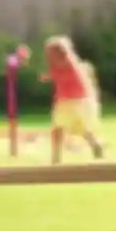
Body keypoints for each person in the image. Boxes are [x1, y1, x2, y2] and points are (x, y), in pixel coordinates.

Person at [41, 36, 105, 164]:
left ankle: (55, 158)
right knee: (82, 128)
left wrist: (47, 76)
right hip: (81, 101)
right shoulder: (72, 63)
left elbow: (58, 74)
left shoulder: (65, 64)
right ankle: (95, 144)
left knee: (58, 129)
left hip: (69, 102)